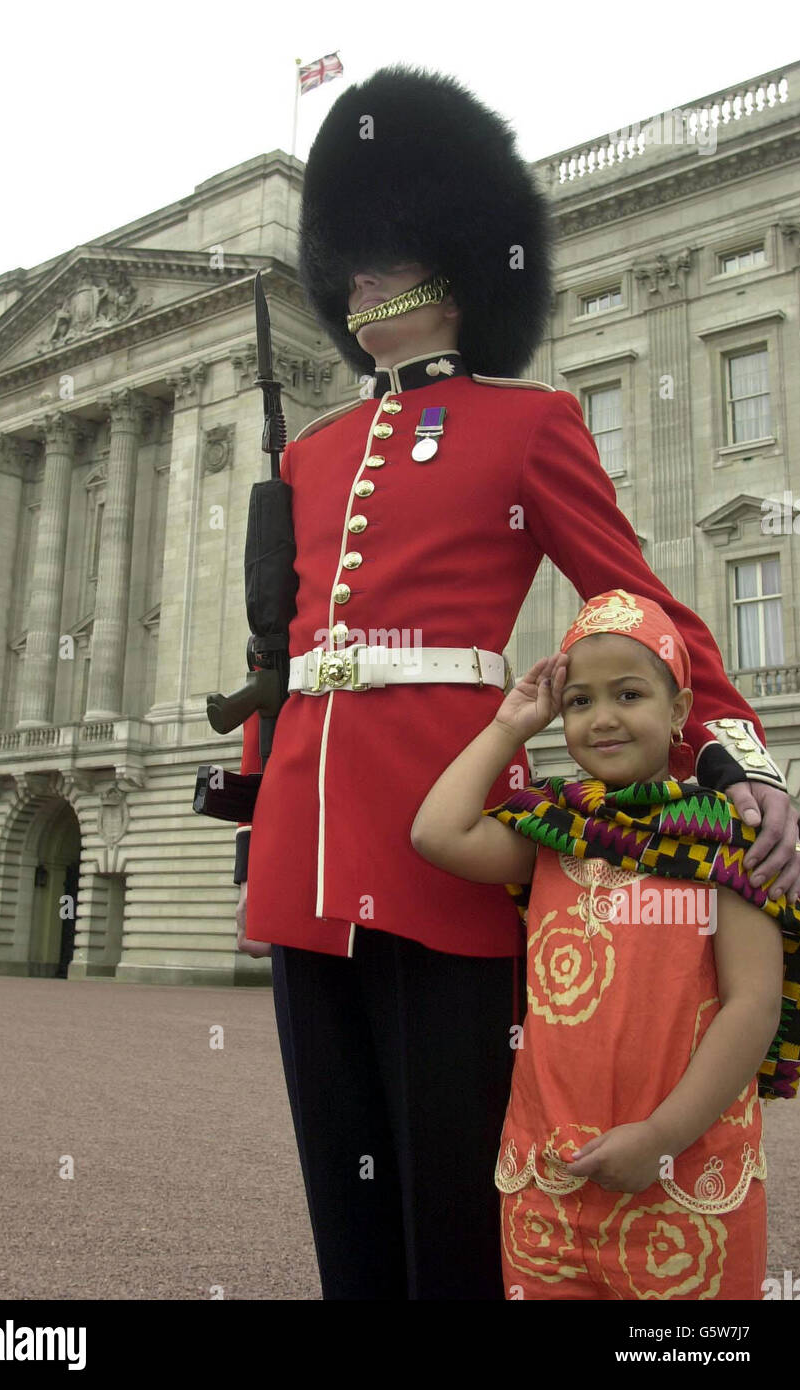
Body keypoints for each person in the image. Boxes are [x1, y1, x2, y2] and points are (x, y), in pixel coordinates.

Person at [233, 66, 800, 1300]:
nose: (366, 286)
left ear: (455, 270)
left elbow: (643, 601)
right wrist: (253, 785)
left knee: (449, 1175)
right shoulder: (312, 451)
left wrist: (736, 759)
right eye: (356, 268)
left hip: (440, 822)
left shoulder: (526, 423)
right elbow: (285, 646)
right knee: (343, 1172)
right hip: (303, 837)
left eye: (393, 263)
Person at [411, 589, 799, 1299]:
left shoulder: (726, 838)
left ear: (679, 710)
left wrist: (658, 1139)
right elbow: (436, 833)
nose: (602, 719)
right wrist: (508, 724)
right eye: (579, 702)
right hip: (548, 1179)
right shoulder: (552, 834)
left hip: (683, 1177)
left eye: (627, 693)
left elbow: (752, 1008)